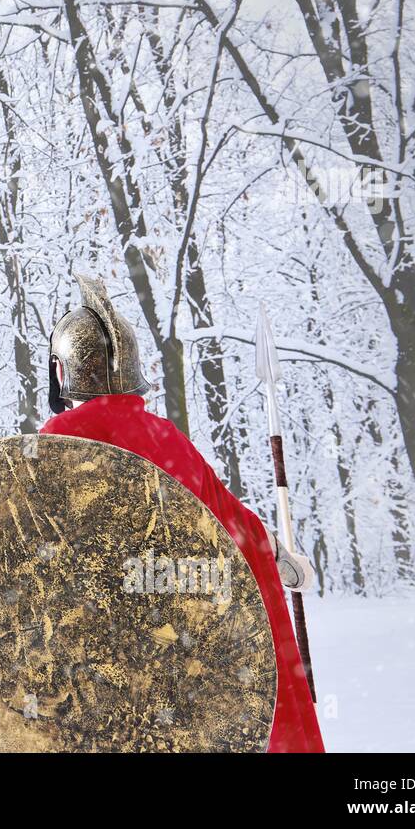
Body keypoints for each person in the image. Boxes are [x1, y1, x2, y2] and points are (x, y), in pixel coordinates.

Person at [40, 273, 325, 753]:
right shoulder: (163, 436)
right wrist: (274, 554)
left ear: (64, 372)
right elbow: (225, 517)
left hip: (98, 649)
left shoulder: (58, 438)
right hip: (178, 641)